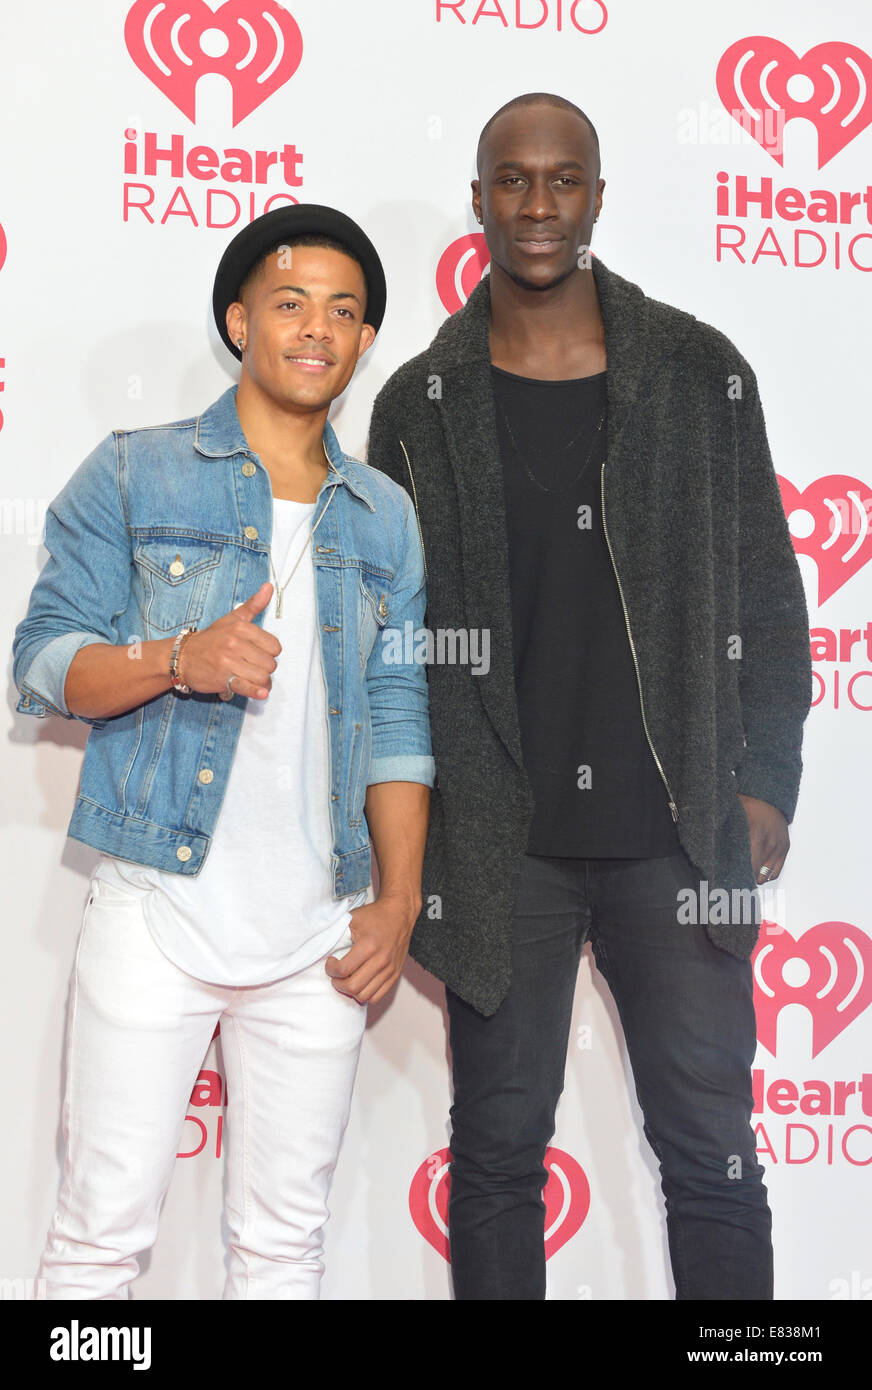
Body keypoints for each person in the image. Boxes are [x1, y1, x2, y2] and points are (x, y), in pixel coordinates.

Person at [366, 94, 812, 1300]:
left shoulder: (696, 370)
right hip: (502, 843)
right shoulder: (421, 400)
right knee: (498, 1156)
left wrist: (764, 775)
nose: (537, 205)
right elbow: (390, 642)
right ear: (477, 199)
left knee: (712, 1155)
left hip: (675, 832)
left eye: (563, 179)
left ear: (599, 197)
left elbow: (770, 598)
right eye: (511, 180)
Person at [12, 203, 433, 1300]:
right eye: (291, 303)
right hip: (156, 907)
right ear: (240, 319)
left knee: (285, 1246)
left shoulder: (383, 515)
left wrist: (396, 903)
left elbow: (397, 714)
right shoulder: (133, 473)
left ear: (363, 342)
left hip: (319, 936)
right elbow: (44, 659)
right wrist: (175, 658)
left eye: (345, 312)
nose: (316, 328)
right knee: (99, 1236)